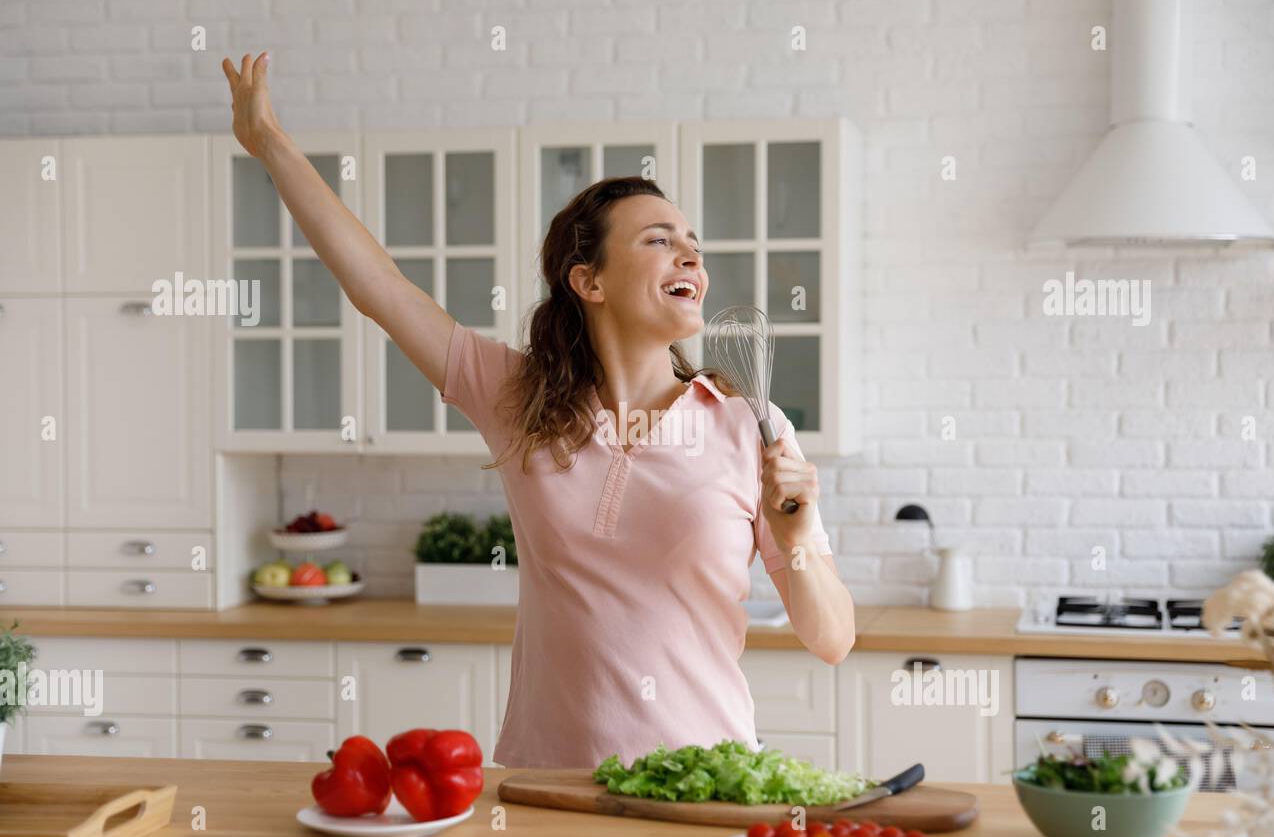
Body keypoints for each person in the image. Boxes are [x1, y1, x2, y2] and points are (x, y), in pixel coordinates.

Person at [222, 51, 856, 768]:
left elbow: (831, 639)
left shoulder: (751, 427)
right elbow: (381, 287)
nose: (691, 260)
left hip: (701, 783)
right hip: (545, 783)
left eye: (694, 247)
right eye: (659, 241)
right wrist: (270, 142)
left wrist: (795, 530)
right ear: (588, 280)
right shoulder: (521, 399)